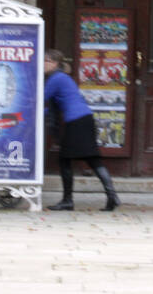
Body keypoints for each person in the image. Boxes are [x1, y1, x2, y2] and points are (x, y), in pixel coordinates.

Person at [44, 49, 120, 212]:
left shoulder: (55, 79)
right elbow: (53, 106)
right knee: (93, 159)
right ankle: (112, 197)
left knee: (65, 160)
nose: (43, 64)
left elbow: (41, 98)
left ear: (55, 63)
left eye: (46, 61)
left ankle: (67, 200)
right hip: (85, 119)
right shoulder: (63, 78)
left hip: (76, 121)